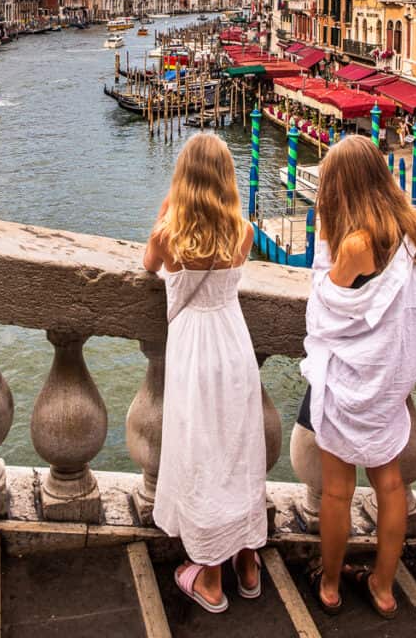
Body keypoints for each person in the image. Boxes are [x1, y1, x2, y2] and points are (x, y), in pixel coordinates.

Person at [299, 135, 416, 618]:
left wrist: (323, 245)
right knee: (390, 484)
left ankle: (331, 585)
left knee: (337, 490)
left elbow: (327, 309)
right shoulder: (412, 232)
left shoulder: (355, 244)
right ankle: (383, 587)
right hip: (389, 381)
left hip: (352, 382)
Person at [143, 134, 266, 614]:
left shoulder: (168, 235)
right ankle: (249, 563)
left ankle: (211, 580)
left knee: (205, 457)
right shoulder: (245, 232)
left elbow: (148, 265)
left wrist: (167, 207)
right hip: (234, 347)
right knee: (240, 452)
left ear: (184, 180)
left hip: (194, 352)